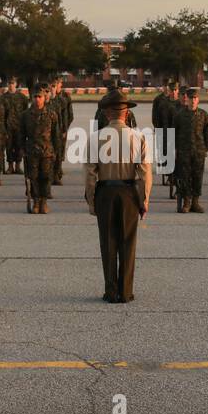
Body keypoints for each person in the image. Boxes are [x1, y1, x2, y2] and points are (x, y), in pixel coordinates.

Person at [86, 88, 152, 303]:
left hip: (105, 191)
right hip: (129, 193)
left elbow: (90, 173)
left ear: (106, 113)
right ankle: (125, 291)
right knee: (128, 242)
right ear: (126, 113)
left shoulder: (95, 137)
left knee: (108, 242)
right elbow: (144, 173)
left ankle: (110, 291)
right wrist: (145, 200)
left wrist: (91, 200)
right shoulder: (138, 137)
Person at [21, 83, 59, 214]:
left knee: (46, 177)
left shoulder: (52, 114)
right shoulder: (26, 115)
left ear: (44, 97)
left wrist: (56, 152)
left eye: (40, 96)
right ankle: (36, 201)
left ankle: (44, 202)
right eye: (35, 96)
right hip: (32, 152)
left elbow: (56, 135)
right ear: (32, 97)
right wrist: (22, 150)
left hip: (47, 151)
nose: (37, 99)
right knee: (34, 178)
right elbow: (22, 135)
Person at [173, 86, 208, 213]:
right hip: (184, 151)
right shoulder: (179, 115)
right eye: (191, 98)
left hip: (199, 151)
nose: (193, 100)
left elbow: (207, 134)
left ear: (198, 100)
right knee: (185, 177)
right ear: (187, 100)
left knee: (197, 176)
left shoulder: (204, 115)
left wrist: (205, 148)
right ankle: (187, 202)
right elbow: (174, 134)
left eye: (195, 98)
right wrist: (175, 150)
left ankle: (195, 202)